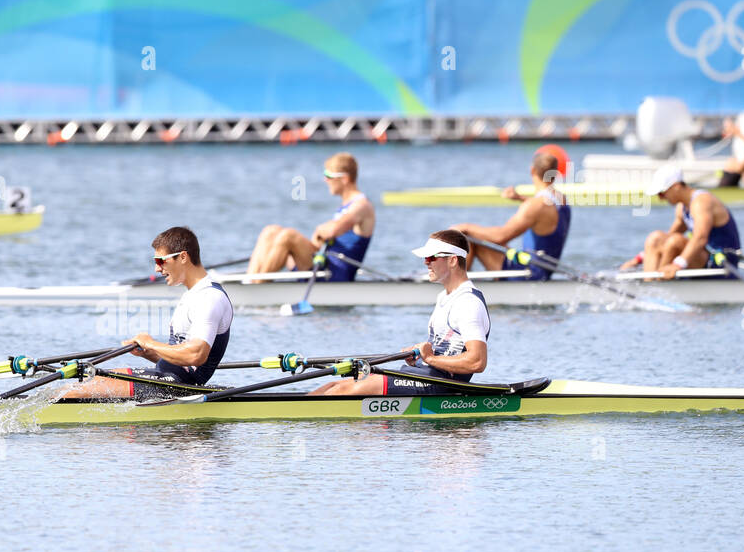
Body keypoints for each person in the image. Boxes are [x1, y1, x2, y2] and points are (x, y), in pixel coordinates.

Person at [310, 230, 488, 396]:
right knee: (336, 386)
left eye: (432, 257)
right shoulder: (445, 296)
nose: (426, 262)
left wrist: (430, 358)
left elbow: (477, 361)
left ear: (452, 260)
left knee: (349, 390)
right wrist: (419, 354)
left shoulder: (468, 302)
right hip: (422, 374)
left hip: (440, 383)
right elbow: (445, 348)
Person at [67, 226, 233, 399]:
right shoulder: (193, 294)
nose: (157, 269)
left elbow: (196, 355)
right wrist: (148, 352)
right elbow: (182, 357)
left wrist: (152, 343)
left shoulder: (210, 298)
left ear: (183, 257)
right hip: (166, 377)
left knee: (73, 394)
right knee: (87, 381)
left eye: (161, 261)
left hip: (178, 385)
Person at [245, 152, 375, 282]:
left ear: (344, 179)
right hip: (322, 266)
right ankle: (248, 282)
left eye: (328, 175)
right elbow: (322, 239)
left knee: (289, 236)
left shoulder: (362, 206)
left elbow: (332, 231)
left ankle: (258, 286)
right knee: (270, 231)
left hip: (335, 274)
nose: (325, 180)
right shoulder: (347, 206)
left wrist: (320, 230)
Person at [453, 151, 571, 280]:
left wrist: (465, 227)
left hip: (529, 274)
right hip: (543, 271)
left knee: (467, 237)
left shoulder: (534, 206)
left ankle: (457, 287)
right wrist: (519, 197)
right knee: (482, 237)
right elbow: (543, 211)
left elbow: (501, 236)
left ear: (532, 171)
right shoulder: (560, 199)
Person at [620, 166, 741, 279]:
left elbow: (700, 238)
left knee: (675, 241)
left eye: (662, 193)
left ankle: (660, 283)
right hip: (703, 258)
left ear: (676, 186)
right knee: (655, 237)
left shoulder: (701, 202)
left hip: (722, 263)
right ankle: (649, 283)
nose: (661, 198)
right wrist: (639, 259)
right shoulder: (681, 208)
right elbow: (666, 237)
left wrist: (678, 265)